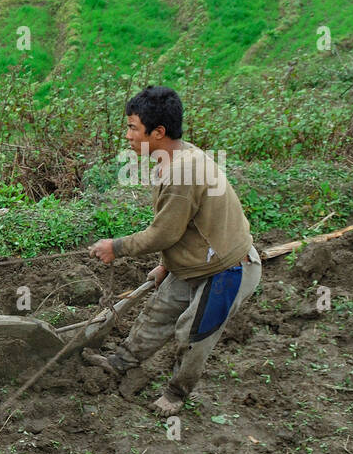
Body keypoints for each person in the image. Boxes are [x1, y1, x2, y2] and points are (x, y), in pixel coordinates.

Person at [86, 85, 262, 414]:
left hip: (227, 269)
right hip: (196, 260)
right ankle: (120, 362)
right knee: (158, 312)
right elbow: (183, 226)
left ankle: (176, 393)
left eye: (132, 128)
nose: (127, 135)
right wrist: (167, 266)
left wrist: (117, 247)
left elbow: (163, 233)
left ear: (158, 132)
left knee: (192, 333)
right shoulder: (173, 157)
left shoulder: (182, 172)